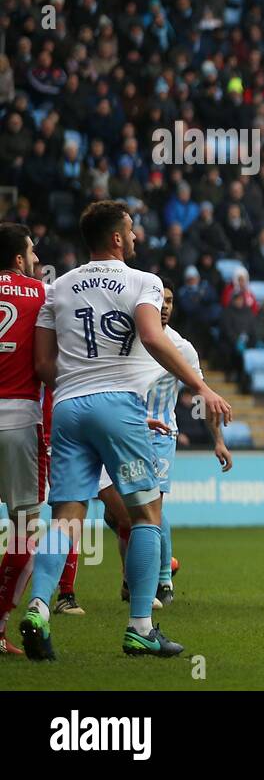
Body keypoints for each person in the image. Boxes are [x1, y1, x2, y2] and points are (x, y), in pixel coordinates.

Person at [21, 201, 231, 660]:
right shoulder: (144, 282)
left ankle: (38, 607)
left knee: (66, 517)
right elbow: (153, 338)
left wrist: (83, 390)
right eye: (131, 230)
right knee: (145, 516)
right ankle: (140, 627)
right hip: (119, 405)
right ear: (117, 238)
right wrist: (202, 387)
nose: (135, 237)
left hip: (68, 407)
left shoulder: (57, 287)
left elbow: (41, 364)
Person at [141, 280, 232, 605]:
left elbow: (204, 396)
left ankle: (162, 579)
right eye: (159, 300)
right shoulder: (131, 337)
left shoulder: (182, 347)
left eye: (170, 300)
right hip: (125, 430)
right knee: (116, 513)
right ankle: (140, 574)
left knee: (152, 505)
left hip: (160, 435)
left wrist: (217, 441)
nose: (164, 306)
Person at [0, 224, 47, 655]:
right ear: (19, 259)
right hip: (18, 418)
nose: (35, 259)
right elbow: (50, 359)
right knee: (24, 530)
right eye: (31, 252)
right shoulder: (38, 292)